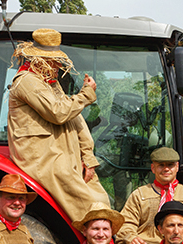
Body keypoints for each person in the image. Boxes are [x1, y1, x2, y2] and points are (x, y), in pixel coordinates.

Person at [7, 28, 108, 225]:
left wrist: (88, 157)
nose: (57, 65)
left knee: (101, 201)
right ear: (39, 60)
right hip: (44, 160)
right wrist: (86, 94)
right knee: (92, 210)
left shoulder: (50, 83)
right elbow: (59, 113)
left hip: (65, 157)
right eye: (52, 60)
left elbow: (75, 119)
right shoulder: (27, 81)